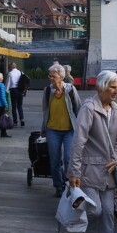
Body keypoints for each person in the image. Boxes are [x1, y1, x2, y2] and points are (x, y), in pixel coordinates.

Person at [66, 71, 117, 233]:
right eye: (113, 87)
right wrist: (74, 171)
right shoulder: (89, 108)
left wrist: (116, 158)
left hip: (108, 171)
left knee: (108, 214)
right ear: (101, 87)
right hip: (88, 169)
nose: (116, 91)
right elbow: (78, 141)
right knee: (96, 210)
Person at [41, 63, 81, 197]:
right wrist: (43, 128)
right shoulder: (47, 91)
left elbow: (79, 109)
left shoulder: (70, 90)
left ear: (61, 76)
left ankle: (70, 185)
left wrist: (81, 129)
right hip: (52, 130)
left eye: (53, 76)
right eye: (50, 76)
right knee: (54, 160)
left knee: (69, 159)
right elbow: (45, 111)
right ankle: (58, 186)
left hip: (69, 130)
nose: (51, 78)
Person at [7, 61, 26, 127]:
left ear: (11, 67)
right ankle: (22, 119)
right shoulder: (21, 72)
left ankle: (15, 122)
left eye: (9, 67)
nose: (8, 68)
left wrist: (6, 91)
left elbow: (8, 83)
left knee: (14, 107)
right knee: (20, 106)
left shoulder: (10, 73)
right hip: (20, 90)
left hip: (13, 90)